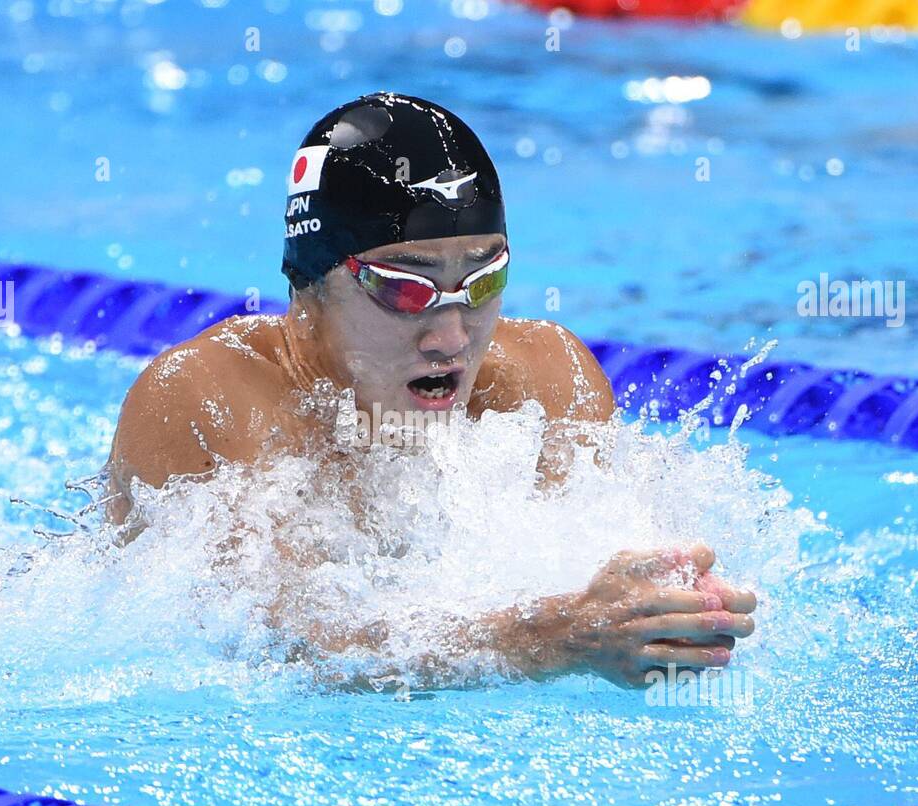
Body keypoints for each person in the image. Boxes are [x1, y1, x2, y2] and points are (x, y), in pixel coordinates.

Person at [105, 91, 756, 687]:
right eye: (404, 287)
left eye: (483, 281)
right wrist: (552, 641)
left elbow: (597, 576)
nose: (450, 336)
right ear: (309, 287)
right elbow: (291, 649)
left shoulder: (547, 378)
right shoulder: (206, 399)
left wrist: (668, 614)